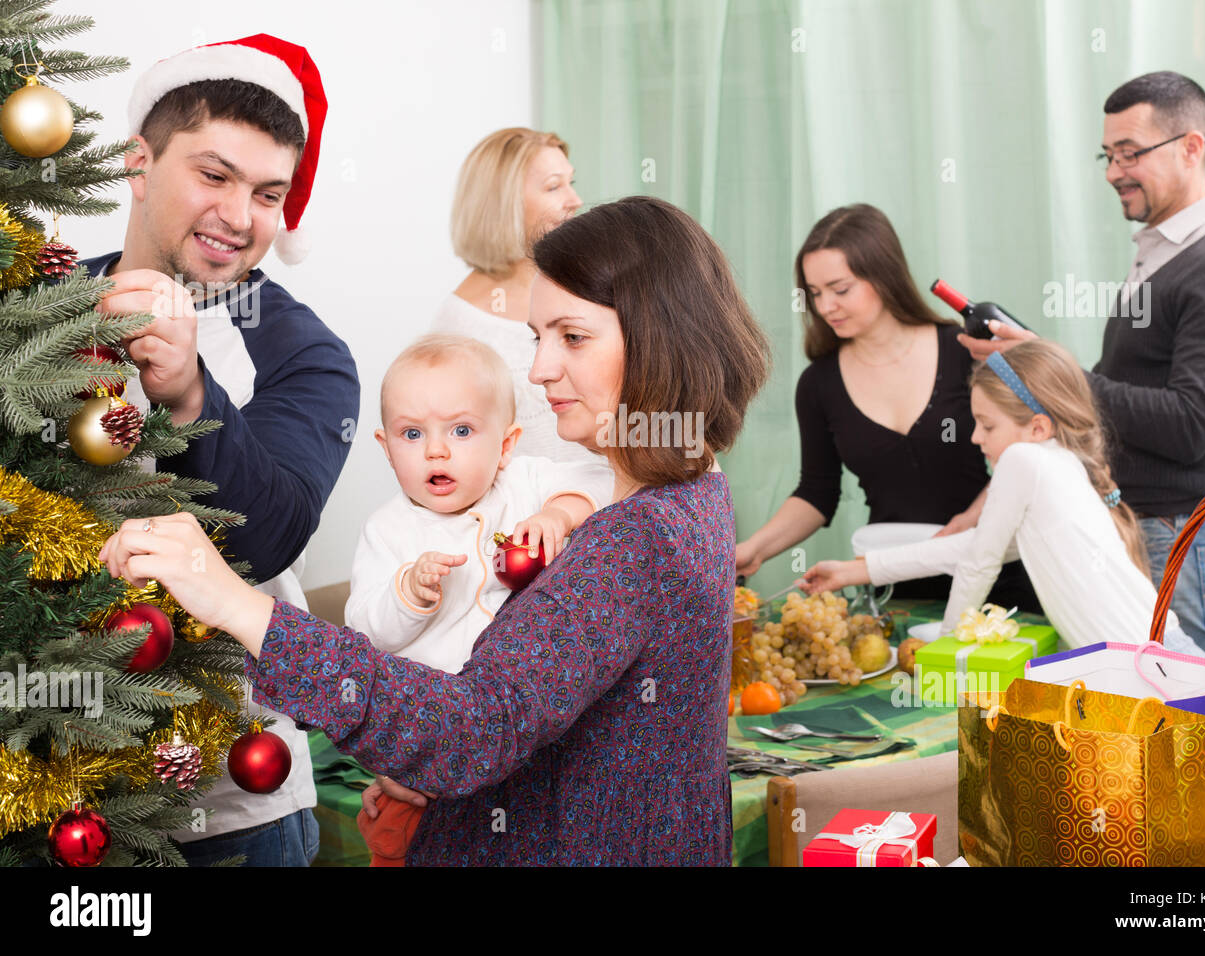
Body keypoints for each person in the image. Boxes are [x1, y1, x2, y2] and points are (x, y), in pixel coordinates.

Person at [99, 196, 772, 866]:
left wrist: (240, 605)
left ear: (659, 335)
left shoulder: (637, 537)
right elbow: (571, 724)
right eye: (539, 338)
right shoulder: (695, 490)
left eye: (572, 336)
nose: (539, 370)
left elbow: (470, 731)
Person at [83, 35, 359, 866]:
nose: (240, 218)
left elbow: (267, 538)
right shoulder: (40, 306)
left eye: (268, 193)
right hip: (44, 784)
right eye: (214, 175)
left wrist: (190, 395)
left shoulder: (305, 353)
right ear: (139, 166)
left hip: (231, 809)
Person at [961, 72, 1205, 659]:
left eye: (1131, 153)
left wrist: (1056, 370)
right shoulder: (1165, 254)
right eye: (1108, 155)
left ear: (1192, 147)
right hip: (1154, 528)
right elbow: (1125, 391)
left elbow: (1189, 424)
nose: (1114, 171)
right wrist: (1035, 364)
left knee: (1182, 729)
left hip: (1185, 538)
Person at [798, 341, 1205, 656]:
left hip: (1152, 670)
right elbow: (973, 548)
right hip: (1163, 656)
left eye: (987, 426)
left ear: (1038, 427)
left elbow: (979, 564)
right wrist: (853, 571)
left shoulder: (1024, 461)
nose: (975, 438)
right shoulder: (1054, 467)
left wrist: (946, 649)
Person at [736, 204, 1037, 608]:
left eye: (840, 290)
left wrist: (976, 515)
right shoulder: (819, 384)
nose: (825, 307)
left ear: (884, 276)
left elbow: (1031, 446)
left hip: (995, 575)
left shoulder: (965, 351)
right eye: (815, 294)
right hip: (894, 587)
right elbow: (817, 492)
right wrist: (754, 548)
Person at [346, 333, 613, 671]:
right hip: (438, 699)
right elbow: (363, 632)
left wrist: (559, 514)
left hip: (530, 683)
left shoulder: (522, 479)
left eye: (461, 431)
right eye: (412, 434)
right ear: (387, 449)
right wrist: (407, 593)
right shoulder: (386, 529)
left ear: (505, 446)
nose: (435, 451)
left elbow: (605, 478)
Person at [431, 127, 598, 464]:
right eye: (554, 186)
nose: (575, 201)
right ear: (502, 204)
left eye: (571, 183)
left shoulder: (588, 287)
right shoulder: (460, 327)